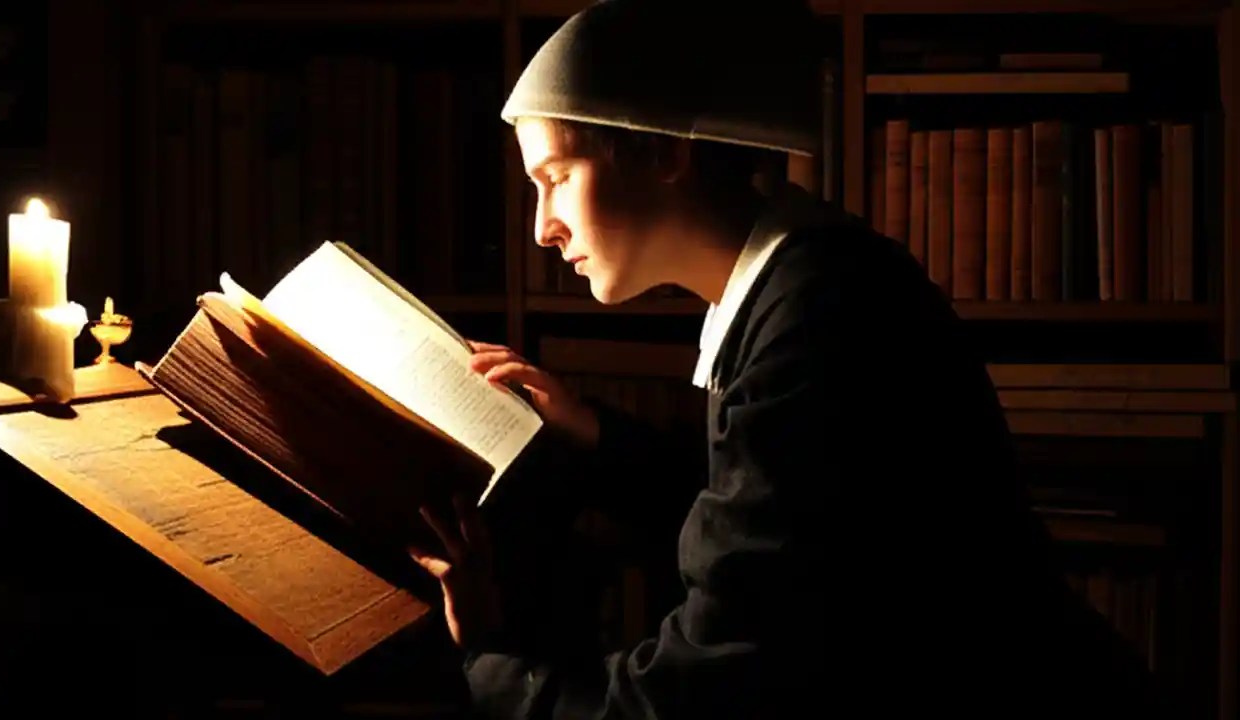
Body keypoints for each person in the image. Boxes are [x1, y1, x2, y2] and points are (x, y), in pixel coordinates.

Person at [407, 1, 1169, 717]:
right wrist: (595, 439)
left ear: (664, 150)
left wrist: (491, 660)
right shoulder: (804, 288)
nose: (544, 228)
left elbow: (694, 691)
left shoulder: (816, 327)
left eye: (557, 179)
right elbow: (773, 526)